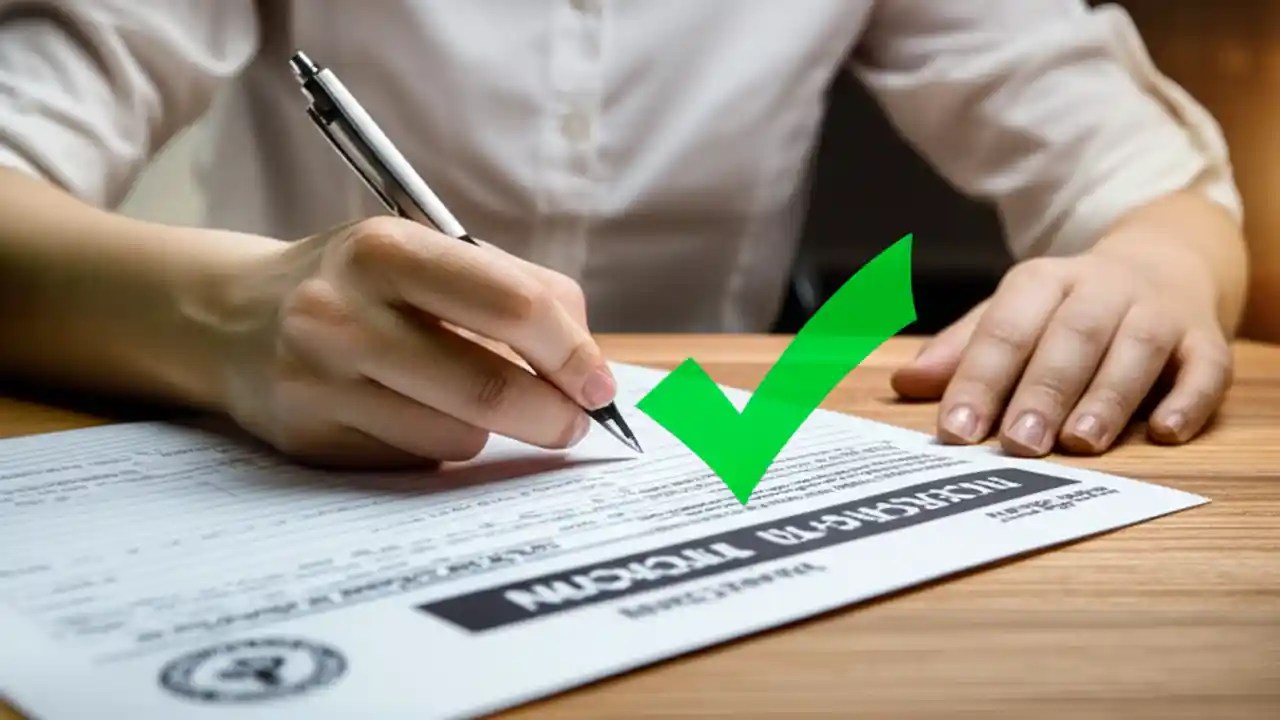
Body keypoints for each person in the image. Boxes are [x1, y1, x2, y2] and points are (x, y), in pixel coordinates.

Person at [0, 1, 1248, 467]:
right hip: (304, 462)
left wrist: (1152, 267)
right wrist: (230, 313)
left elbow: (1145, 179)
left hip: (694, 462)